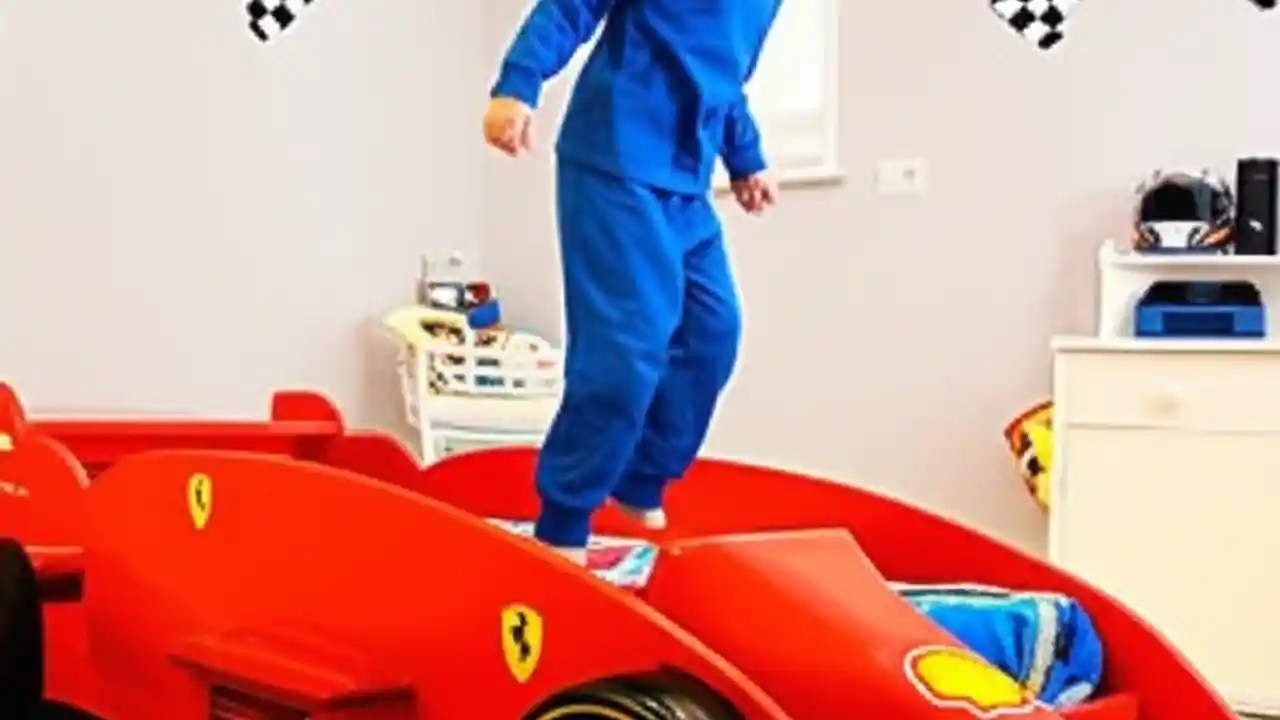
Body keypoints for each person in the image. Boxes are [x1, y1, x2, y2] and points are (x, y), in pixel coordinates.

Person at [482, 0, 781, 564]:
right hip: (616, 156)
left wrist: (745, 157)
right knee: (628, 346)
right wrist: (519, 84)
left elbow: (723, 79)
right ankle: (563, 523)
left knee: (713, 333)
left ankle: (640, 479)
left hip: (685, 182)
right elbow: (570, 7)